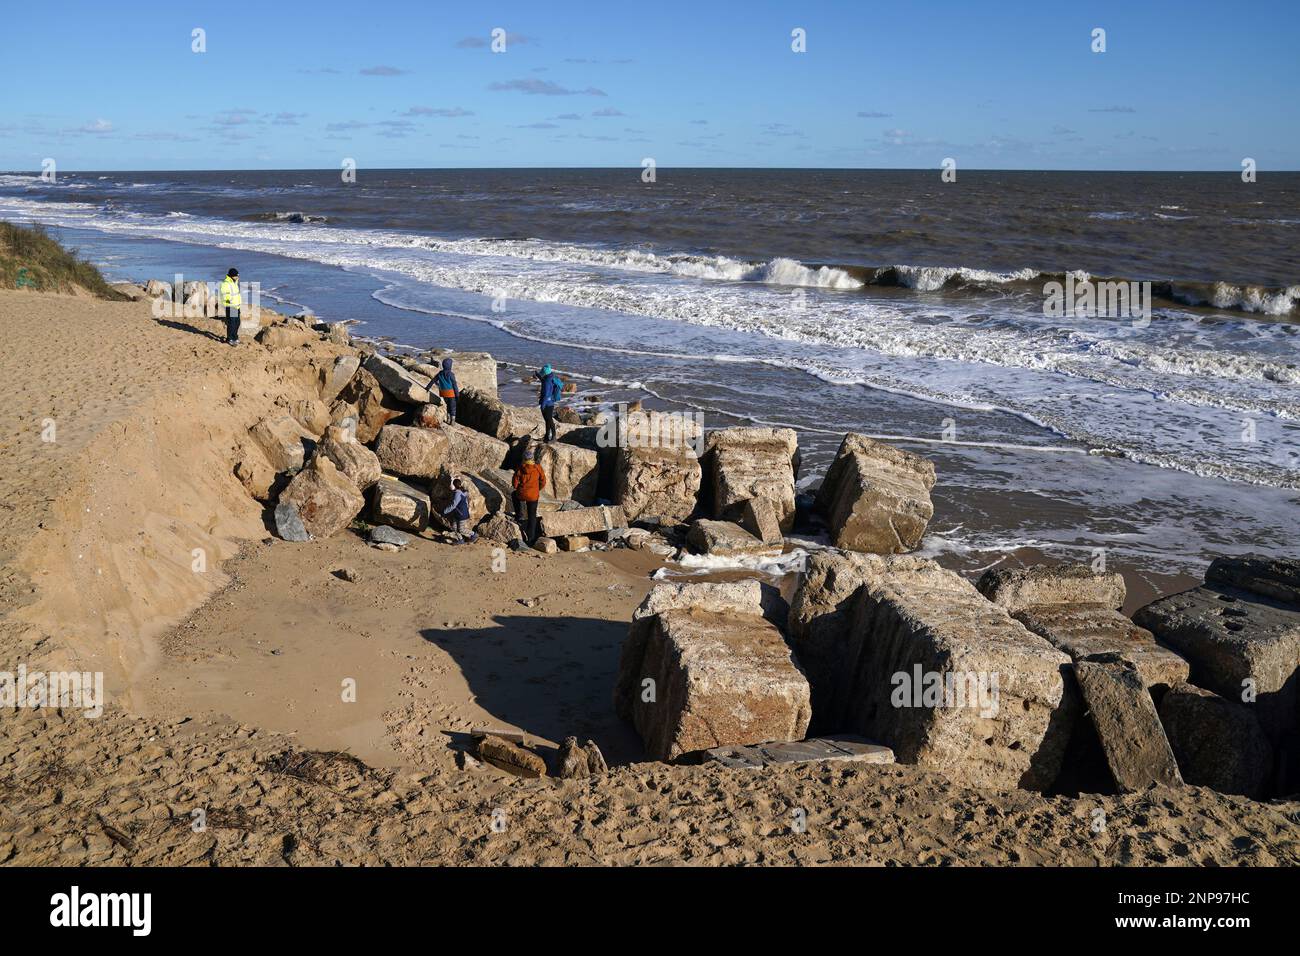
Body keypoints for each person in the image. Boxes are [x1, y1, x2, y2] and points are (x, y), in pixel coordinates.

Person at [511, 446, 547, 543]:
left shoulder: (520, 468)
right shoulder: (538, 468)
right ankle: (531, 539)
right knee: (532, 515)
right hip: (534, 495)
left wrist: (519, 488)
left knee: (514, 495)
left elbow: (514, 484)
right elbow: (543, 481)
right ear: (532, 458)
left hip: (522, 494)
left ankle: (519, 516)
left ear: (523, 459)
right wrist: (537, 489)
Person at [441, 477, 477, 543]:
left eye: (451, 484)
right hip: (457, 513)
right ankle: (460, 540)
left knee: (461, 529)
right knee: (454, 527)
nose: (450, 485)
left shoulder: (458, 493)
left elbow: (453, 505)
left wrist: (445, 511)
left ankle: (474, 534)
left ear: (454, 486)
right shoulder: (460, 492)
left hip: (461, 514)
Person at [535, 364, 563, 442]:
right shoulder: (550, 377)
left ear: (545, 373)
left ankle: (554, 437)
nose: (542, 374)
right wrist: (538, 375)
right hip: (551, 403)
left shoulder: (547, 381)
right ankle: (547, 436)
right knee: (548, 420)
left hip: (547, 404)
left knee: (549, 420)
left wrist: (542, 405)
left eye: (542, 373)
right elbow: (543, 381)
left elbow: (546, 395)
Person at [220, 268, 242, 346]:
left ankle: (235, 337)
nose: (238, 277)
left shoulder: (234, 282)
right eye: (236, 276)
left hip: (237, 306)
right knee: (232, 323)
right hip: (231, 306)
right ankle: (230, 339)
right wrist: (230, 300)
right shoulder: (225, 284)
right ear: (232, 276)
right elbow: (224, 294)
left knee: (237, 323)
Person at [434, 357, 459, 424]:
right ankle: (452, 421)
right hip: (450, 393)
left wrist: (427, 388)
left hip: (443, 393)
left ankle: (448, 419)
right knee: (453, 406)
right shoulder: (451, 374)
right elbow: (454, 385)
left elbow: (433, 380)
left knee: (448, 405)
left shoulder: (440, 373)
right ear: (450, 366)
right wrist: (457, 395)